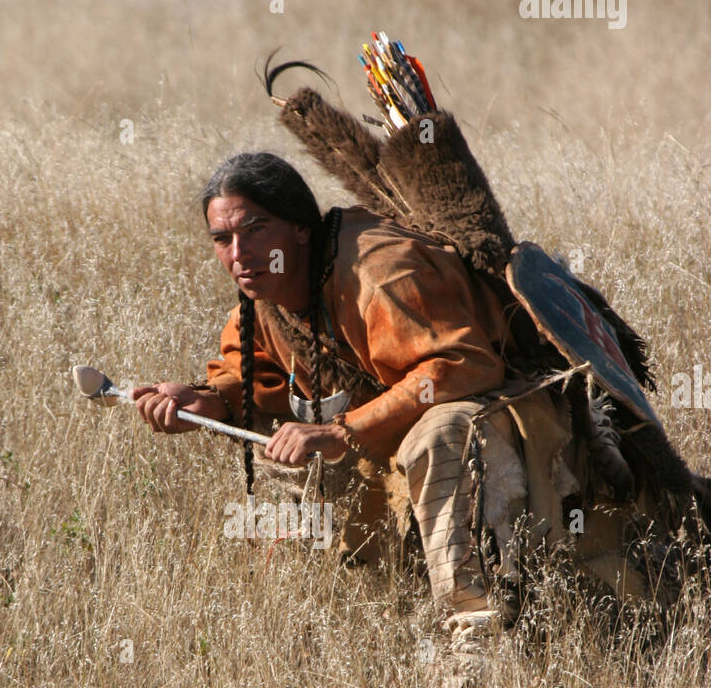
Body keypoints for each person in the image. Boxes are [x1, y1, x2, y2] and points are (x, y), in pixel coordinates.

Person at [131, 152, 633, 656]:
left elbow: (464, 364)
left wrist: (344, 431)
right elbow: (255, 371)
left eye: (256, 230)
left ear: (300, 229)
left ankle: (474, 633)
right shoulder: (268, 289)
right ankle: (373, 621)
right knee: (292, 442)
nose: (238, 253)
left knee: (439, 431)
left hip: (509, 410)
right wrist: (206, 399)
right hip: (405, 428)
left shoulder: (380, 273)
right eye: (222, 239)